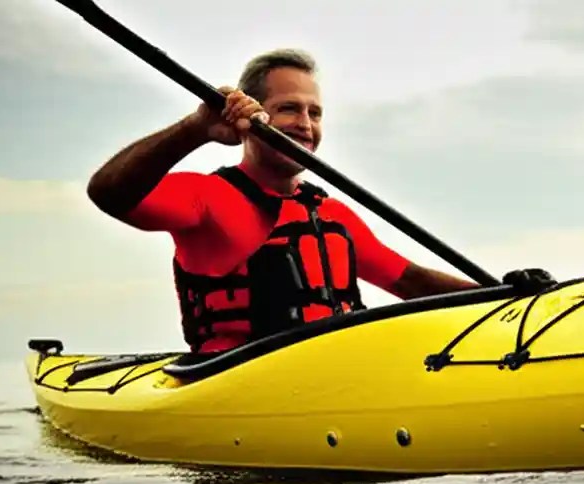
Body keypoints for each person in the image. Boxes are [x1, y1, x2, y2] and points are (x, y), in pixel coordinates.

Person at [86, 48, 479, 354]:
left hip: (334, 373)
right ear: (251, 115)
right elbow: (107, 192)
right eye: (288, 108)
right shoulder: (205, 197)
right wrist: (195, 129)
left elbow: (411, 282)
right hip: (233, 379)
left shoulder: (330, 214)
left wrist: (511, 296)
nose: (305, 125)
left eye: (315, 113)